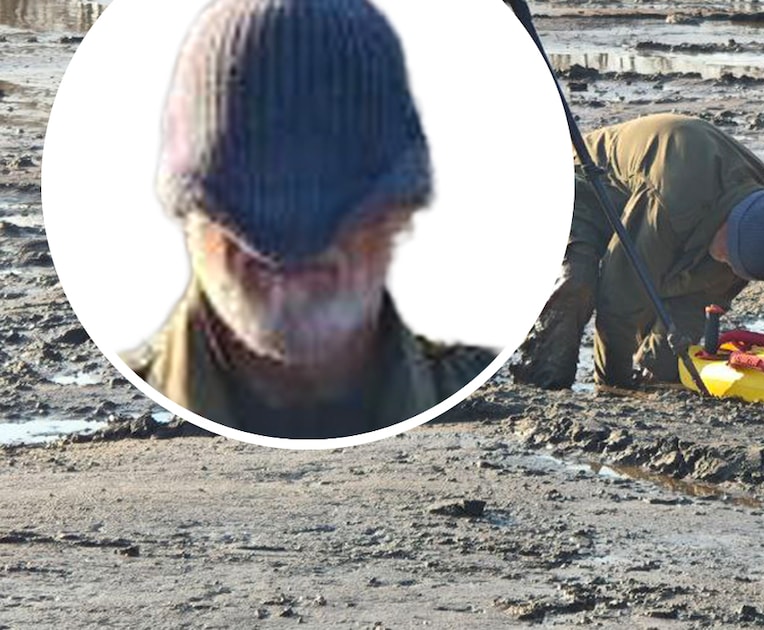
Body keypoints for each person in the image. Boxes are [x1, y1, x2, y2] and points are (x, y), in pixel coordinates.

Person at [122, 0, 495, 439]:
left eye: (344, 191)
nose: (291, 243)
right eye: (248, 187)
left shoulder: (478, 390)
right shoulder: (138, 396)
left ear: (401, 211)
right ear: (187, 208)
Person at [512, 113, 764, 390]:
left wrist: (662, 369)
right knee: (576, 282)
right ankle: (544, 380)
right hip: (586, 184)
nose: (730, 269)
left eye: (739, 270)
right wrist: (613, 384)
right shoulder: (673, 199)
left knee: (668, 363)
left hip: (669, 210)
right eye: (731, 258)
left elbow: (698, 302)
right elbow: (620, 298)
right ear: (729, 225)